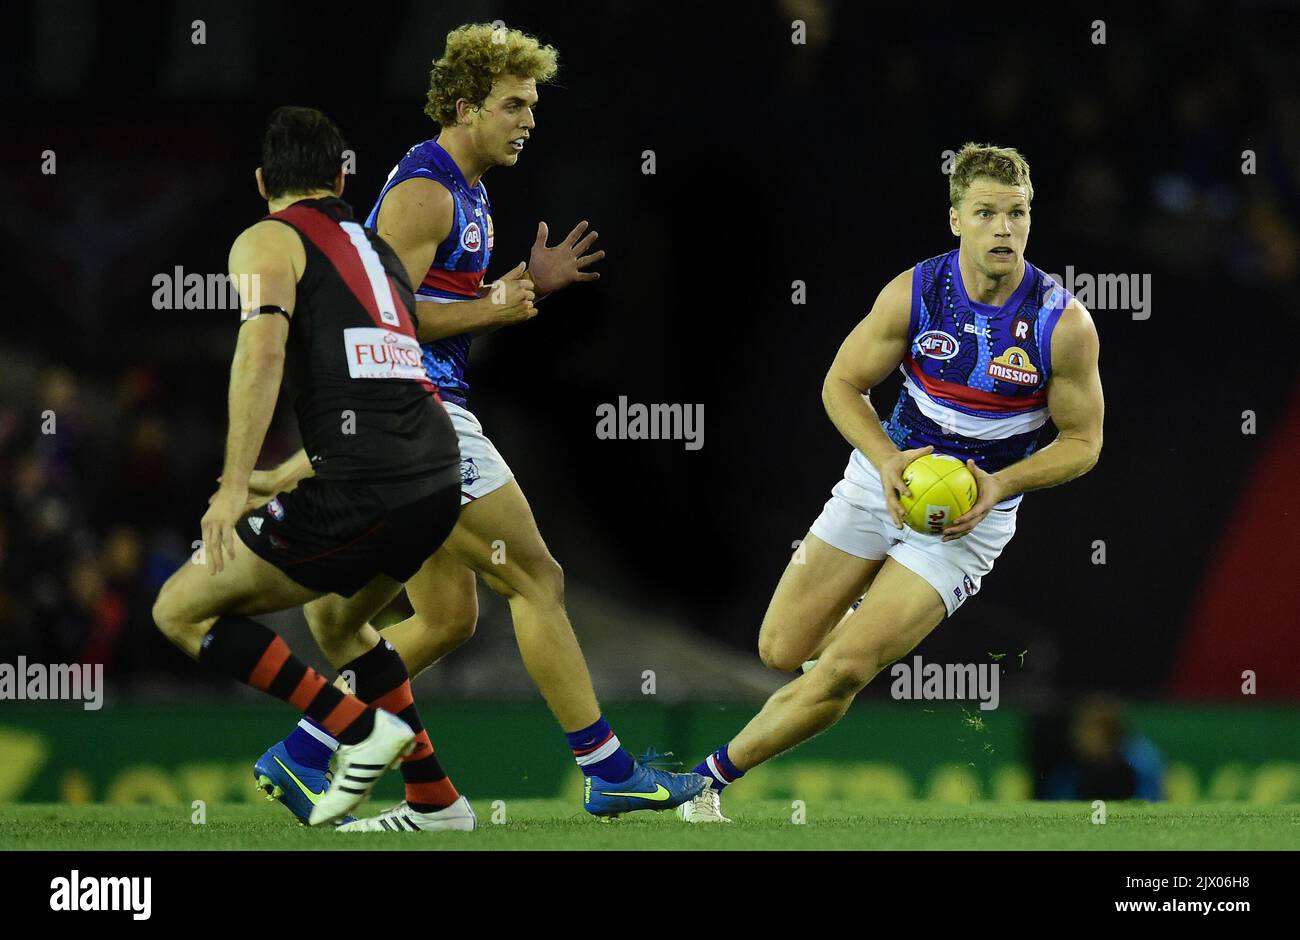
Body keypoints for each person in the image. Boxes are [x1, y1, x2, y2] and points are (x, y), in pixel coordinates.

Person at [250, 24, 706, 832]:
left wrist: (524, 285)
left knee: (450, 617)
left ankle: (322, 753)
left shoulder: (470, 188)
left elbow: (443, 301)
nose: (529, 119)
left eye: (532, 103)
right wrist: (492, 306)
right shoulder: (425, 191)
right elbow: (376, 313)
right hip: (415, 413)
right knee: (538, 577)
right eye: (513, 104)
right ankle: (609, 771)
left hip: (417, 413)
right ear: (464, 107)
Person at [677, 143, 1105, 822]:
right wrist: (884, 459)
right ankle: (856, 620)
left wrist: (999, 486)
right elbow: (841, 385)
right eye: (987, 212)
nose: (1004, 228)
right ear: (956, 219)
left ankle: (705, 783)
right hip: (879, 484)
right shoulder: (914, 292)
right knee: (780, 648)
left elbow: (1084, 442)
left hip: (971, 520)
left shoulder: (1063, 323)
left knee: (845, 669)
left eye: (1017, 213)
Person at [152, 106, 471, 829]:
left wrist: (236, 484)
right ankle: (433, 798)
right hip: (436, 478)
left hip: (369, 490)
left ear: (263, 180)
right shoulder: (377, 248)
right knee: (335, 620)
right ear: (340, 177)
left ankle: (353, 729)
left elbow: (261, 352)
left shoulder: (268, 237)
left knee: (178, 609)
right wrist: (291, 472)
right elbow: (379, 384)